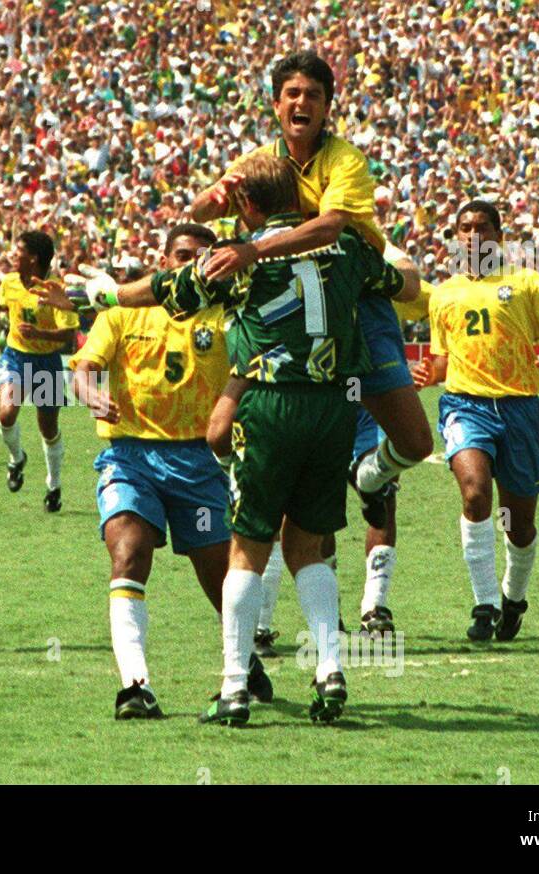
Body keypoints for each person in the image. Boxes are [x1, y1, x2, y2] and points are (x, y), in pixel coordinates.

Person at [47, 153, 420, 725]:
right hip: (333, 404)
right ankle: (330, 669)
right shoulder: (350, 248)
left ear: (245, 203)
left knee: (247, 549)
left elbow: (161, 289)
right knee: (310, 546)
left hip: (270, 405)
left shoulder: (233, 261)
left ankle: (233, 689)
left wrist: (104, 291)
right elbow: (404, 285)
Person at [194, 51, 434, 528]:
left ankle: (367, 477)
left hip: (357, 300)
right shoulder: (258, 164)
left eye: (314, 95)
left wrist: (254, 252)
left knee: (415, 443)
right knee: (237, 441)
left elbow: (330, 228)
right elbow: (200, 210)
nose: (302, 102)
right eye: (293, 94)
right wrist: (214, 200)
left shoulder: (345, 160)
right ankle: (247, 491)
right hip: (285, 315)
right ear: (276, 104)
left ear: (327, 107)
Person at [69, 222, 272, 719]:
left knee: (217, 575)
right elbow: (81, 369)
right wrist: (92, 395)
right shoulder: (123, 312)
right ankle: (135, 686)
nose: (192, 265)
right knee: (129, 554)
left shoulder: (227, 317)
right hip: (129, 457)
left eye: (204, 257)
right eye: (183, 255)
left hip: (198, 464)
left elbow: (253, 372)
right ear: (164, 260)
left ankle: (242, 659)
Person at [411, 200, 539, 642]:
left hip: (520, 408)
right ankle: (483, 605)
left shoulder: (527, 283)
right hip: (466, 405)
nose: (471, 235)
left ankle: (512, 598)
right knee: (475, 492)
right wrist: (429, 375)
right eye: (463, 228)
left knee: (518, 524)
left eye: (480, 227)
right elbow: (444, 361)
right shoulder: (444, 294)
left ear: (499, 236)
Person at [0, 231, 78, 512]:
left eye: (18, 251)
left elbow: (68, 335)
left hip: (47, 362)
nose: (12, 255)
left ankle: (53, 485)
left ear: (33, 258)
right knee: (7, 414)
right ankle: (17, 459)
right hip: (16, 357)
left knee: (49, 429)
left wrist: (39, 332)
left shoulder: (54, 290)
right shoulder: (9, 281)